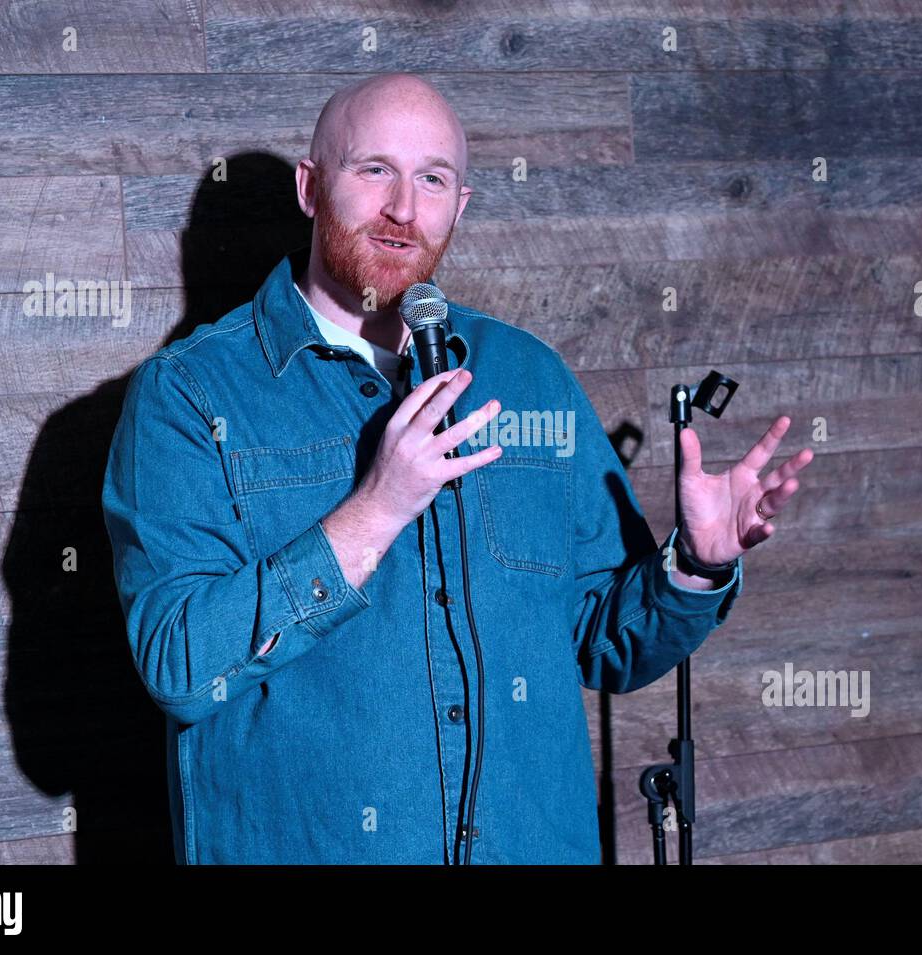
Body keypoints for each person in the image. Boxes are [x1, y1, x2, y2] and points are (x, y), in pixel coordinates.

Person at [101, 73, 813, 864]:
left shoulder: (530, 379)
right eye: (373, 170)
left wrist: (694, 566)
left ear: (461, 204)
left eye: (432, 179)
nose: (404, 207)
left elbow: (606, 640)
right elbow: (180, 663)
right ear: (310, 187)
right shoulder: (191, 395)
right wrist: (374, 511)